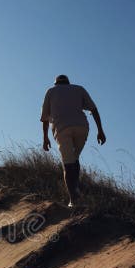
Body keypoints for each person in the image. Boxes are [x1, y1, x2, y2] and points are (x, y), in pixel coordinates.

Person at [40, 74, 106, 207]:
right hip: (82, 127)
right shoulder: (79, 89)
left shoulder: (51, 91)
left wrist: (45, 138)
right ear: (68, 83)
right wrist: (100, 130)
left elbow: (45, 118)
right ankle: (76, 189)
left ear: (56, 83)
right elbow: (93, 109)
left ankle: (73, 200)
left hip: (62, 129)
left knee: (67, 165)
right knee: (74, 159)